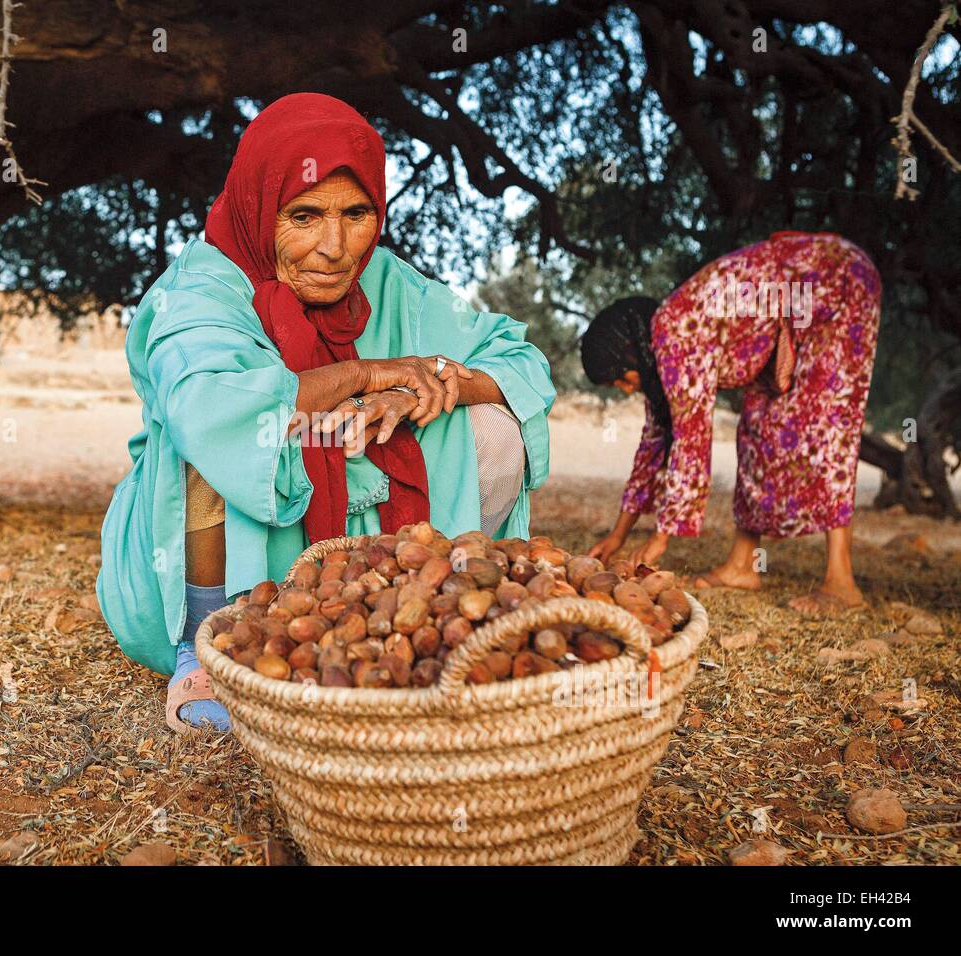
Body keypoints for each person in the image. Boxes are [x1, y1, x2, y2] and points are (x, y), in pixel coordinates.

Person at [96, 93, 556, 732]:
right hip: (205, 550)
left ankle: (429, 611)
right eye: (304, 215)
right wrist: (364, 373)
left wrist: (430, 385)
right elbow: (210, 401)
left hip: (356, 545)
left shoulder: (388, 281)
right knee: (206, 430)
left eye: (357, 214)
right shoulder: (203, 287)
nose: (334, 247)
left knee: (494, 419)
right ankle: (203, 643)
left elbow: (519, 361)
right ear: (263, 206)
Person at [581, 232, 881, 614]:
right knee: (756, 430)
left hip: (835, 280)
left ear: (632, 352)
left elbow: (692, 440)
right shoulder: (664, 354)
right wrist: (618, 536)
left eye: (622, 379)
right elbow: (654, 445)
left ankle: (842, 582)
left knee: (826, 422)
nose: (625, 391)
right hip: (787, 315)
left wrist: (662, 536)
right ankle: (743, 565)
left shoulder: (674, 334)